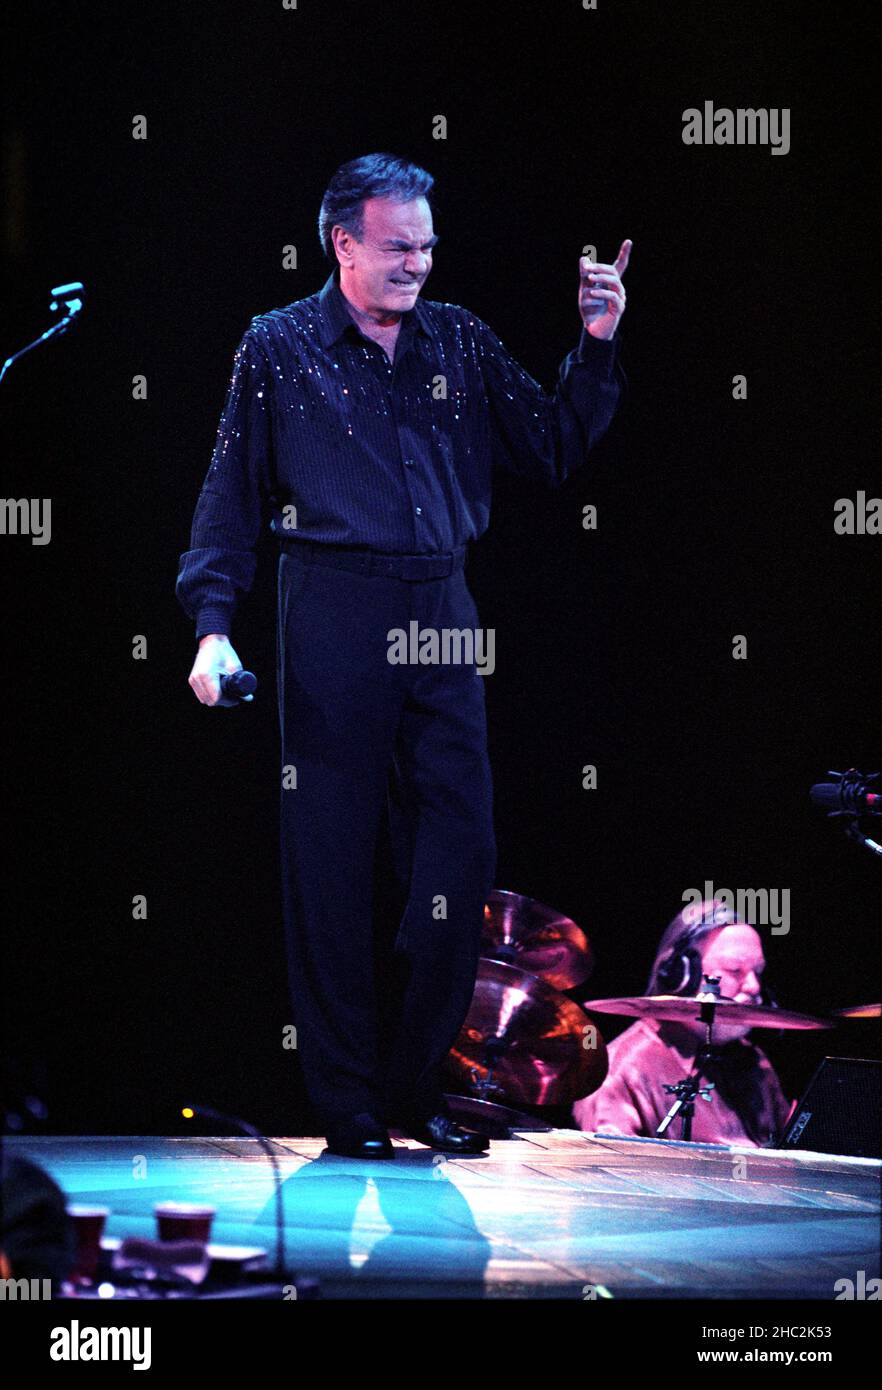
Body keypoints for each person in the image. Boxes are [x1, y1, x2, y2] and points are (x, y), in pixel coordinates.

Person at [176, 152, 629, 1158]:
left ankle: (415, 1085)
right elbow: (229, 496)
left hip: (440, 602)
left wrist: (595, 344)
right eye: (396, 246)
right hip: (330, 603)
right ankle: (346, 1106)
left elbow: (551, 444)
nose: (417, 263)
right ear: (343, 243)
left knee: (458, 858)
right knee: (329, 865)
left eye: (427, 245)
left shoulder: (457, 339)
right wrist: (212, 625)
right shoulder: (278, 347)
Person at [573, 899, 793, 1146]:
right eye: (734, 970)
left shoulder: (752, 1061)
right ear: (682, 974)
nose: (754, 987)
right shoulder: (619, 1070)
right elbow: (613, 1173)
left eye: (758, 972)